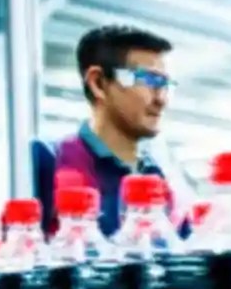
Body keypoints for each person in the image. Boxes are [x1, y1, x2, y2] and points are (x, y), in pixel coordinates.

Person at [43, 24, 191, 238]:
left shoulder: (160, 179)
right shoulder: (48, 163)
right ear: (98, 83)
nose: (162, 100)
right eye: (148, 80)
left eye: (166, 85)